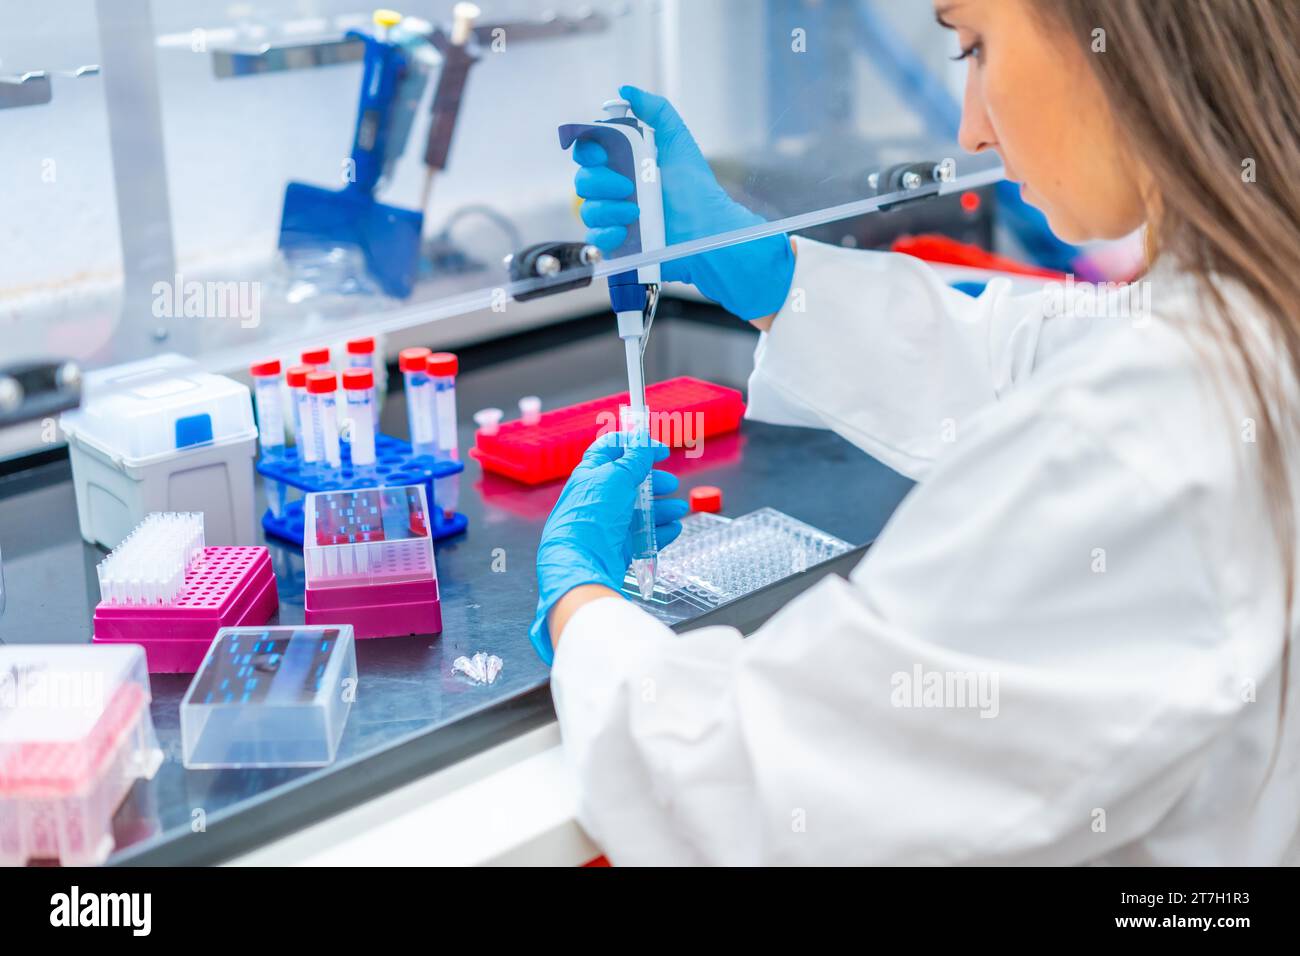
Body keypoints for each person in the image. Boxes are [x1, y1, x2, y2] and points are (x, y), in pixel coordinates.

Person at [529, 0, 1300, 864]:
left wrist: (581, 608)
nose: (972, 129)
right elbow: (1033, 355)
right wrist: (777, 279)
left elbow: (755, 792)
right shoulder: (1257, 309)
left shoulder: (1151, 422)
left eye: (975, 47)